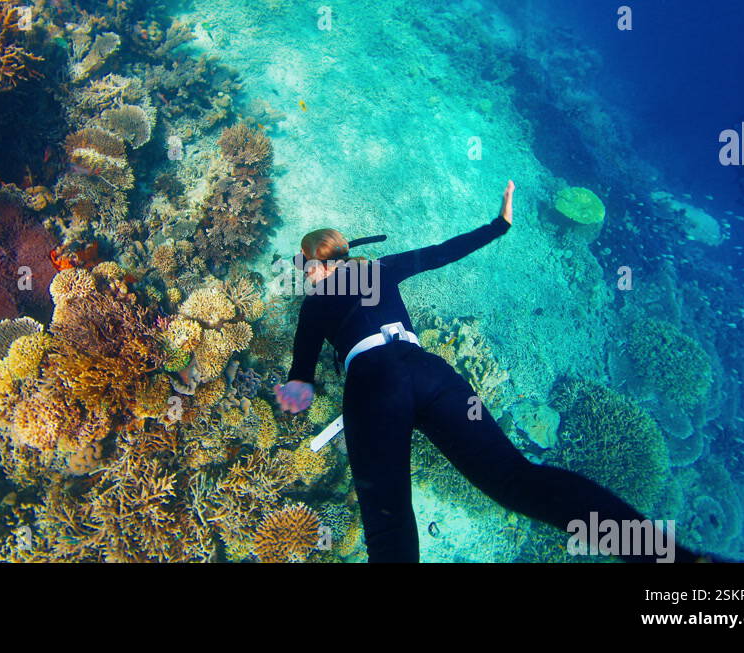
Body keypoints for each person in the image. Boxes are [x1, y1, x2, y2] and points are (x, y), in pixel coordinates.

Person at [274, 181, 708, 563]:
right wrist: (500, 223)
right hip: (430, 373)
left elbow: (301, 377)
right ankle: (666, 556)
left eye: (305, 266)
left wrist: (295, 395)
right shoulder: (382, 267)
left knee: (389, 524)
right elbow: (443, 252)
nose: (306, 275)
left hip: (372, 386)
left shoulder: (314, 303)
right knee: (518, 482)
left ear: (318, 265)